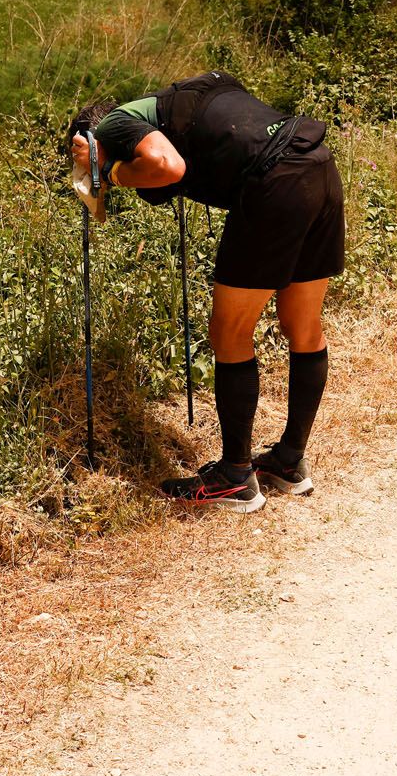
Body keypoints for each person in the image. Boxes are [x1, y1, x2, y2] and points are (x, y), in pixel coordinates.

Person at [69, 71, 344, 511]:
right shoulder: (188, 99)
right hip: (317, 165)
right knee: (302, 325)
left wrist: (110, 171)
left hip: (272, 181)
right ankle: (288, 463)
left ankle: (235, 478)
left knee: (229, 332)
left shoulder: (113, 125)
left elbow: (167, 167)